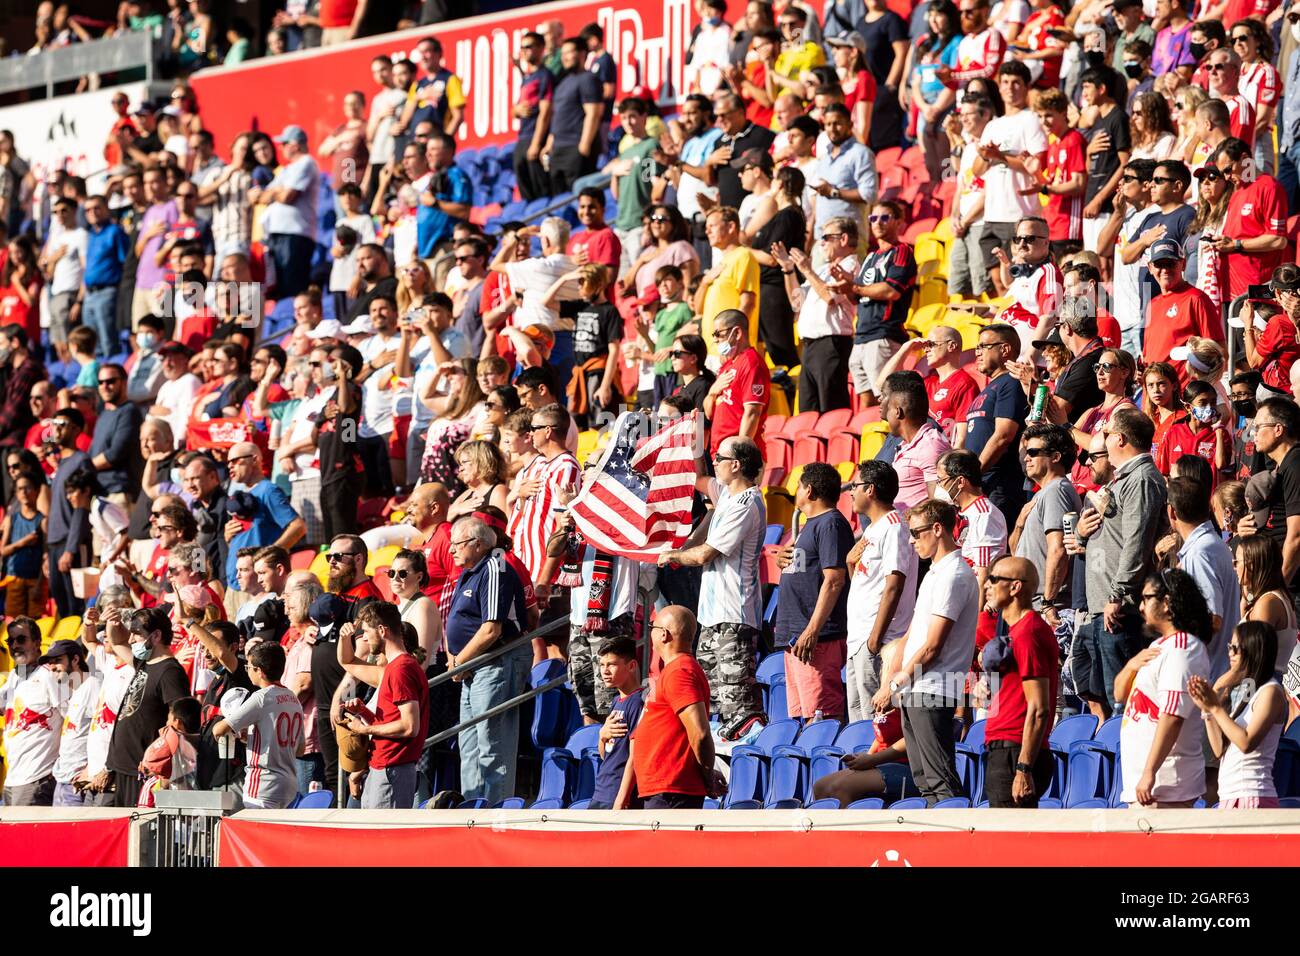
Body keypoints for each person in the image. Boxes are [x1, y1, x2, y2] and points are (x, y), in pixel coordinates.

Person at [658, 435, 765, 732]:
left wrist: (673, 556)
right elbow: (698, 477)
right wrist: (694, 436)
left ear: (736, 464)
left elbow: (706, 554)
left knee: (737, 704)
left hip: (734, 615)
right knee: (713, 700)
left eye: (720, 459)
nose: (715, 463)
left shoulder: (747, 502)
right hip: (712, 617)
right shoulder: (728, 494)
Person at [880, 498, 979, 805]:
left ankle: (958, 847)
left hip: (934, 688)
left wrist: (896, 683)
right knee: (924, 778)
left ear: (937, 529)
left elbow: (933, 645)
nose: (912, 540)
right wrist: (891, 682)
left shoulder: (954, 575)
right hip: (920, 687)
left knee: (940, 779)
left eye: (917, 532)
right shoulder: (936, 572)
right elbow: (913, 634)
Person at [1075, 406, 1166, 718]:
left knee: (1125, 704)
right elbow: (1113, 537)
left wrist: (1118, 594)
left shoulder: (1141, 478)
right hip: (1105, 606)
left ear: (1121, 439)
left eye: (1106, 433)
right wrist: (1082, 535)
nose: (1101, 439)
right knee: (1107, 698)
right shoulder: (1121, 479)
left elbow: (1137, 543)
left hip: (1120, 608)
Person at [444, 516, 529, 804]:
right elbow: (455, 621)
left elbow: (492, 628)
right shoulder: (469, 572)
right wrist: (455, 660)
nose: (451, 550)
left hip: (496, 662)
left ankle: (495, 812)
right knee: (468, 747)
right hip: (472, 667)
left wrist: (459, 662)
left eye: (456, 544)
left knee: (493, 744)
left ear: (477, 544)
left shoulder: (495, 566)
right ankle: (473, 810)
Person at [1116, 568, 1213, 807]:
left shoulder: (1183, 649)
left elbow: (1172, 717)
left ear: (1167, 603)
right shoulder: (1159, 645)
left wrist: (1149, 772)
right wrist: (1130, 666)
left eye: (1146, 598)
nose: (1140, 607)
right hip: (1146, 786)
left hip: (1165, 786)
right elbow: (1119, 694)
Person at [623, 604, 725, 809]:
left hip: (672, 789)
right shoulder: (675, 670)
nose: (649, 632)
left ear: (664, 634)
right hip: (666, 788)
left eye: (652, 627)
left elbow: (700, 733)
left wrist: (706, 776)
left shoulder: (680, 671)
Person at [980, 555, 1058, 807]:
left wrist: (1023, 768)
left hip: (1015, 752)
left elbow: (1039, 708)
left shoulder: (1028, 632)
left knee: (1006, 843)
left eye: (994, 579)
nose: (986, 585)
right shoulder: (1018, 631)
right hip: (1005, 748)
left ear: (1015, 587)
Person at [337, 601, 430, 809]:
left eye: (367, 632)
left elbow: (409, 726)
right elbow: (347, 661)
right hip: (382, 766)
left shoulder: (401, 669)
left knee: (384, 838)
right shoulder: (394, 667)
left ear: (382, 630)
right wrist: (364, 712)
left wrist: (365, 728)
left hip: (392, 769)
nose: (365, 637)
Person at [845, 460, 918, 722]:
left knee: (876, 721)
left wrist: (875, 639)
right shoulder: (873, 528)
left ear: (871, 489)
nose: (851, 491)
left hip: (877, 639)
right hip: (858, 638)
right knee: (858, 723)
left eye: (855, 485)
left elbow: (894, 584)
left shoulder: (895, 526)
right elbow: (866, 584)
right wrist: (850, 564)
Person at [1191, 621, 1286, 809]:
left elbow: (1246, 743)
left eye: (1235, 647)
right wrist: (1207, 710)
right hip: (1229, 796)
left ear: (1253, 650)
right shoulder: (1247, 690)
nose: (1230, 653)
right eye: (1229, 646)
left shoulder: (1271, 692)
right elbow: (1219, 750)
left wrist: (1216, 708)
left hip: (1253, 794)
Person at [105, 607, 190, 808]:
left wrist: (162, 765)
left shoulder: (170, 672)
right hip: (125, 767)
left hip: (144, 772)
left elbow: (180, 723)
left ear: (156, 635)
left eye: (137, 633)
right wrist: (112, 623)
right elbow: (117, 642)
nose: (132, 639)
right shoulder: (145, 662)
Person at [773, 217, 858, 413]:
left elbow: (829, 297)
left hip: (831, 344)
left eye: (827, 237)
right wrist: (788, 270)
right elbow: (796, 302)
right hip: (811, 346)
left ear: (843, 239)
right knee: (808, 412)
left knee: (832, 409)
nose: (821, 242)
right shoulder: (821, 269)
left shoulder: (851, 265)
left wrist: (806, 269)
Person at [211, 641, 304, 809]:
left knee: (257, 833)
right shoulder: (293, 699)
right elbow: (300, 749)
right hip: (289, 784)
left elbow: (219, 730)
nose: (247, 671)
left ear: (259, 671)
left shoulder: (261, 697)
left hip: (263, 784)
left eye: (248, 667)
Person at [847, 200, 917, 407]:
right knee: (866, 401)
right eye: (873, 218)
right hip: (861, 336)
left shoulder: (902, 251)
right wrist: (846, 287)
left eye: (884, 217)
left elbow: (891, 291)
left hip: (883, 335)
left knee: (886, 400)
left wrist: (855, 288)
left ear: (898, 222)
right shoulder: (869, 257)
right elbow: (857, 296)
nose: (878, 223)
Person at [1168, 476, 1238, 678]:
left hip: (1212, 675)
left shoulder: (1200, 553)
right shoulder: (1208, 546)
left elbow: (1213, 619)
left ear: (1171, 512)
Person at [0, 625, 77, 806]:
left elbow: (72, 720)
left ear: (37, 643)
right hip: (13, 778)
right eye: (10, 641)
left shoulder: (50, 675)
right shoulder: (14, 676)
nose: (14, 645)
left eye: (21, 639)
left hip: (37, 778)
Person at [1010, 422, 1081, 618]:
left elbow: (1058, 549)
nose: (1027, 458)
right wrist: (1018, 525)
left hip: (1048, 606)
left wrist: (1048, 602)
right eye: (1026, 452)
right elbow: (1016, 553)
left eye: (1033, 452)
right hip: (1032, 603)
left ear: (1055, 457)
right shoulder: (1043, 494)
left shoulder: (1056, 490)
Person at [963, 323, 1029, 526]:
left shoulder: (1010, 382)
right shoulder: (991, 387)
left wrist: (973, 477)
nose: (978, 353)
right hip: (983, 484)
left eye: (983, 347)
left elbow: (1003, 435)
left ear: (1005, 349)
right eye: (977, 348)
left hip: (999, 486)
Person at [1141, 238, 1222, 387]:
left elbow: (1217, 351)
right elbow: (1148, 354)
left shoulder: (1197, 299)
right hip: (1155, 396)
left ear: (1183, 264)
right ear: (1150, 267)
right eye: (1159, 264)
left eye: (1170, 263)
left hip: (1184, 395)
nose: (1165, 270)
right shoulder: (1152, 304)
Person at [253, 125, 320, 300]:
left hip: (295, 234)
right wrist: (277, 192)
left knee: (292, 286)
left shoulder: (306, 163)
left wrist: (275, 193)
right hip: (278, 235)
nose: (280, 148)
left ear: (295, 145)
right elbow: (260, 196)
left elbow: (287, 196)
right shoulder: (288, 169)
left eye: (284, 144)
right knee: (278, 287)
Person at [588, 636, 645, 810]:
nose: (604, 671)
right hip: (602, 791)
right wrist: (602, 736)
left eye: (611, 664)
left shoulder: (638, 702)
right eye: (602, 665)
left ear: (631, 666)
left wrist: (621, 801)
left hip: (618, 795)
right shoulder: (615, 701)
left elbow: (635, 758)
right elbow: (607, 754)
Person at [703, 308, 770, 456]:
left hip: (738, 456)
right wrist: (712, 392)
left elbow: (752, 412)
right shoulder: (727, 366)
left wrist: (739, 454)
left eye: (718, 334)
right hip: (720, 453)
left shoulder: (752, 363)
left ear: (737, 333)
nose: (715, 339)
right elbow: (708, 412)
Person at [694, 207, 760, 354]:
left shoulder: (743, 256)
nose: (707, 231)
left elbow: (747, 303)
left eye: (712, 226)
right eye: (706, 227)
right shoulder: (719, 264)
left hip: (731, 351)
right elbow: (698, 310)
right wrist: (705, 282)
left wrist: (730, 344)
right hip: (712, 351)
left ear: (731, 227)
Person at [544, 37, 604, 194]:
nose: (564, 57)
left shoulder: (588, 79)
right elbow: (558, 117)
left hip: (575, 148)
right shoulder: (563, 83)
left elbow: (593, 113)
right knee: (558, 199)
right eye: (562, 53)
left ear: (582, 53)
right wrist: (549, 145)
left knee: (577, 196)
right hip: (558, 150)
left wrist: (584, 145)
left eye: (569, 52)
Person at [886, 372, 950, 510]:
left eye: (888, 410)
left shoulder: (930, 445)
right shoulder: (905, 445)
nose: (886, 416)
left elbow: (939, 507)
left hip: (918, 530)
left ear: (898, 412)